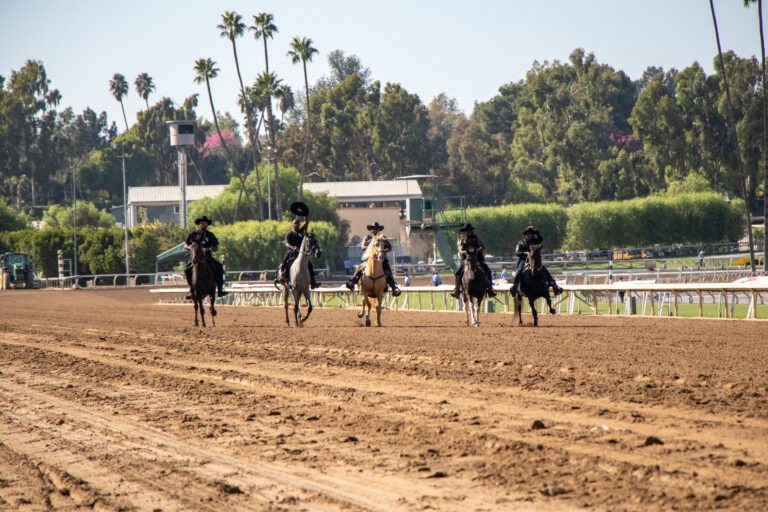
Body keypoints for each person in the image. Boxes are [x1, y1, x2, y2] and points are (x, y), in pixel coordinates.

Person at [345, 222, 401, 296]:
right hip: (369, 258)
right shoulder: (367, 237)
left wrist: (382, 251)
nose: (375, 230)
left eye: (376, 229)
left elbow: (389, 247)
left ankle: (393, 286)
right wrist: (371, 248)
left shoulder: (382, 237)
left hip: (381, 258)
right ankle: (352, 282)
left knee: (388, 269)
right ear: (370, 230)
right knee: (359, 267)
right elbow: (362, 247)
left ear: (378, 230)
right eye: (373, 229)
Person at [184, 216, 227, 299]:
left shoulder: (210, 235)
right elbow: (186, 245)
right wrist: (191, 248)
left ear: (207, 224)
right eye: (202, 223)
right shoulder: (194, 234)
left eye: (205, 223)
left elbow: (216, 247)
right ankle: (192, 290)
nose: (204, 224)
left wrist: (208, 249)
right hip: (195, 257)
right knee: (187, 270)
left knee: (219, 267)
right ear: (199, 224)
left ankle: (220, 289)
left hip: (207, 258)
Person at [513, 225, 562, 295]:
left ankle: (554, 285)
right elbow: (517, 253)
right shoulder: (520, 243)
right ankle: (515, 287)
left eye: (531, 234)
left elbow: (541, 239)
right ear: (525, 235)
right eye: (528, 234)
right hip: (524, 260)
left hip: (534, 261)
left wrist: (536, 231)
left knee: (545, 270)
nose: (529, 236)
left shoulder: (535, 241)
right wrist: (525, 253)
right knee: (519, 271)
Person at [450, 223, 496, 298]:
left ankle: (490, 289)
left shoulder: (476, 238)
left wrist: (477, 250)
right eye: (466, 231)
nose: (468, 232)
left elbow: (483, 246)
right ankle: (457, 290)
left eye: (469, 231)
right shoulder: (463, 241)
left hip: (477, 259)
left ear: (471, 231)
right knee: (458, 272)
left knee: (488, 271)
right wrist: (467, 252)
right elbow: (460, 251)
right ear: (464, 232)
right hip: (466, 260)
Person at [279, 215, 319, 289]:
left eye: (297, 223)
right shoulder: (290, 233)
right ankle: (283, 277)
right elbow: (286, 243)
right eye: (294, 223)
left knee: (309, 265)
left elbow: (306, 222)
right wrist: (292, 247)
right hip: (292, 252)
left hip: (301, 253)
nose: (296, 225)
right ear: (292, 224)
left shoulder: (301, 232)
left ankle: (313, 281)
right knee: (286, 262)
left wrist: (305, 215)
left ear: (299, 225)